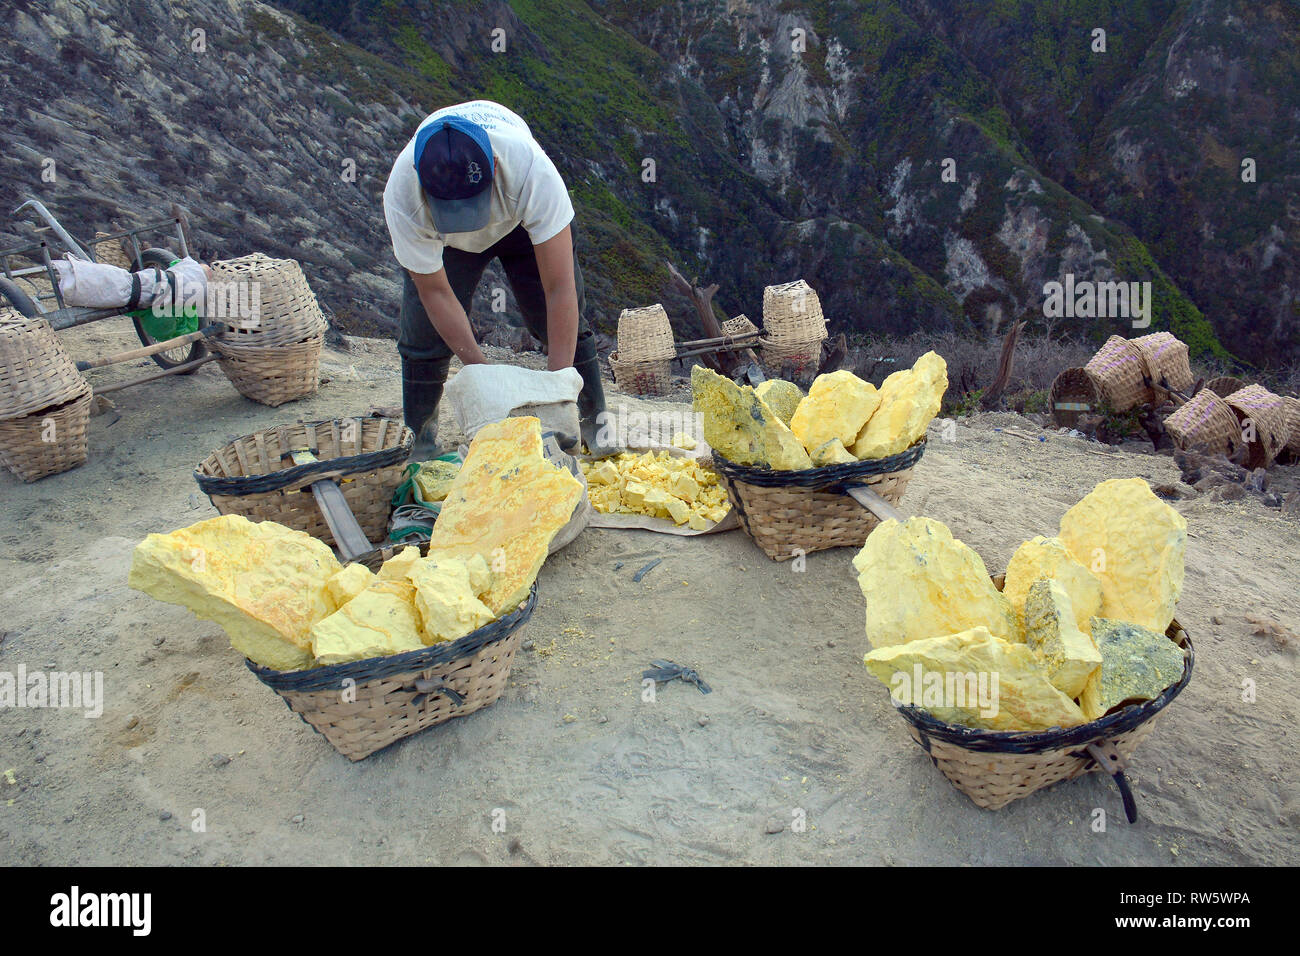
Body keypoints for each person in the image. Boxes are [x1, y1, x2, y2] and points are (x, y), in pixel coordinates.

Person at [383, 99, 610, 458]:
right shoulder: (403, 194)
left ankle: (593, 423)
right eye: (452, 210)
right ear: (425, 189)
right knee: (422, 335)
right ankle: (421, 445)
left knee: (551, 319)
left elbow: (559, 288)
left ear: (495, 165)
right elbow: (437, 295)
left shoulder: (531, 170)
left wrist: (558, 394)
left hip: (519, 224)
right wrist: (485, 380)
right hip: (449, 243)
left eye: (471, 206)